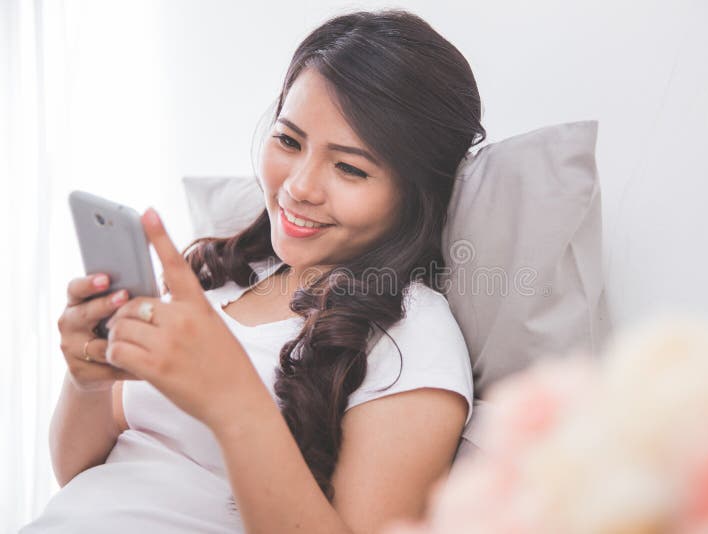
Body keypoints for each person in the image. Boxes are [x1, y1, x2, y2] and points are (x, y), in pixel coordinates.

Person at [22, 8, 485, 534]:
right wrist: (86, 381)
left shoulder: (412, 335)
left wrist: (233, 401)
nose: (299, 186)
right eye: (288, 141)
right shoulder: (220, 277)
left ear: (415, 194)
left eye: (350, 168)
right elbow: (81, 474)